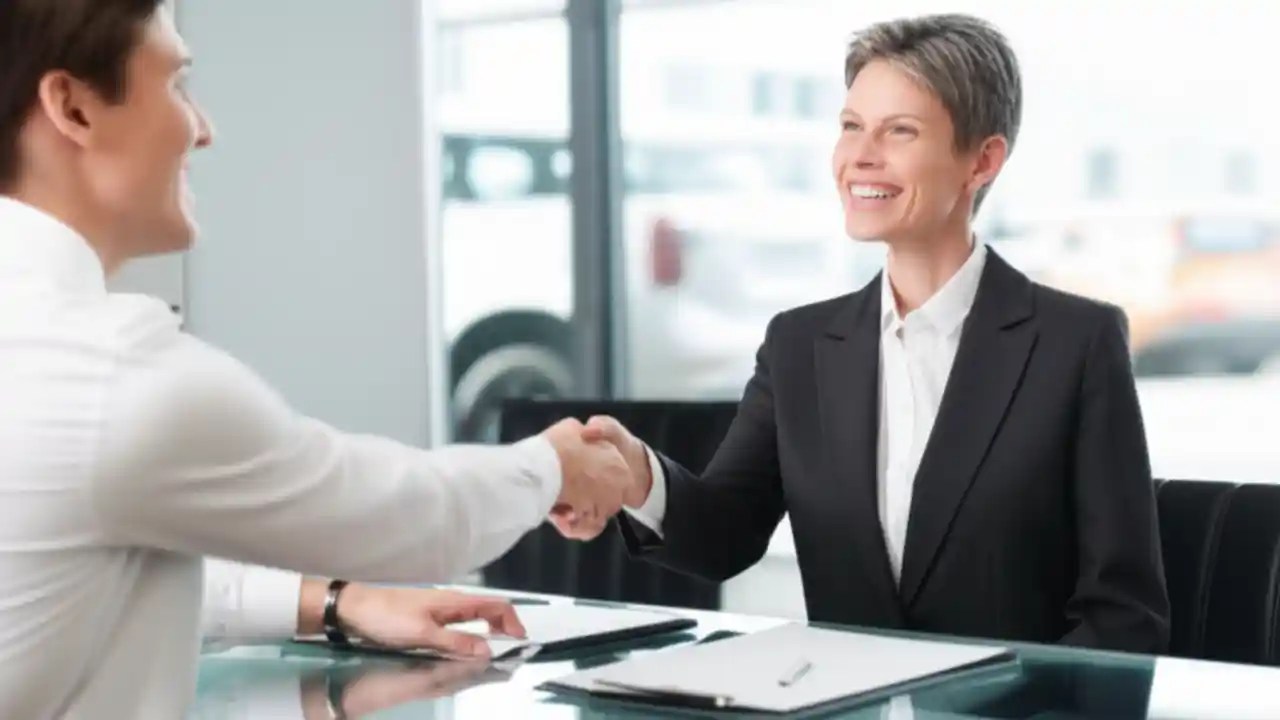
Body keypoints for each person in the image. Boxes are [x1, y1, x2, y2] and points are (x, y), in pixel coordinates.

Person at [0, 2, 628, 717]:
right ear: (73, 107)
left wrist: (334, 603)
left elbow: (55, 575)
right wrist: (554, 467)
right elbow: (405, 513)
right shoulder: (109, 381)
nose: (202, 129)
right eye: (176, 83)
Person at [569, 14, 1171, 653]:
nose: (859, 156)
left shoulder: (1075, 344)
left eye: (899, 131)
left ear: (982, 160)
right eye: (851, 127)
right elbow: (725, 534)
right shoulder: (799, 346)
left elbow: (1124, 616)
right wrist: (637, 475)